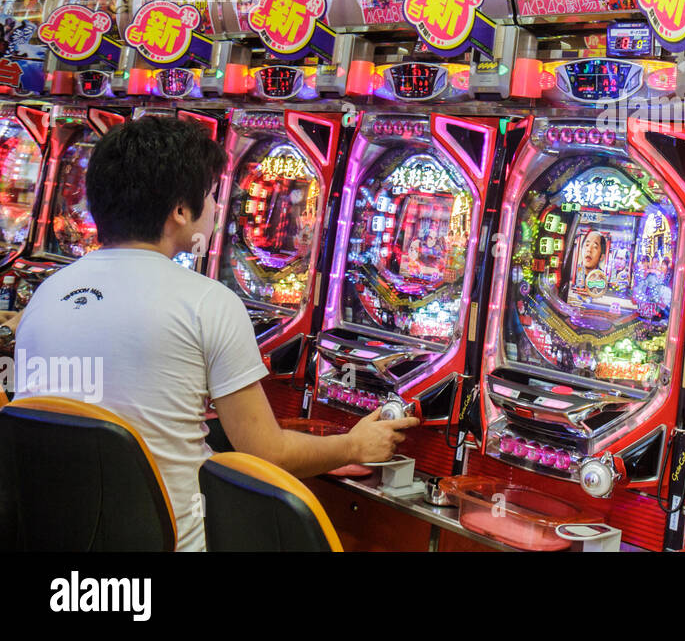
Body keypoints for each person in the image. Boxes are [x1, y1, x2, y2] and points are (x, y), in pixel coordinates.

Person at [13, 117, 414, 551]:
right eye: (210, 195)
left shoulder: (45, 295)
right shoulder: (207, 303)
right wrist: (353, 445)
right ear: (180, 211)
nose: (218, 207)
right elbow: (267, 453)